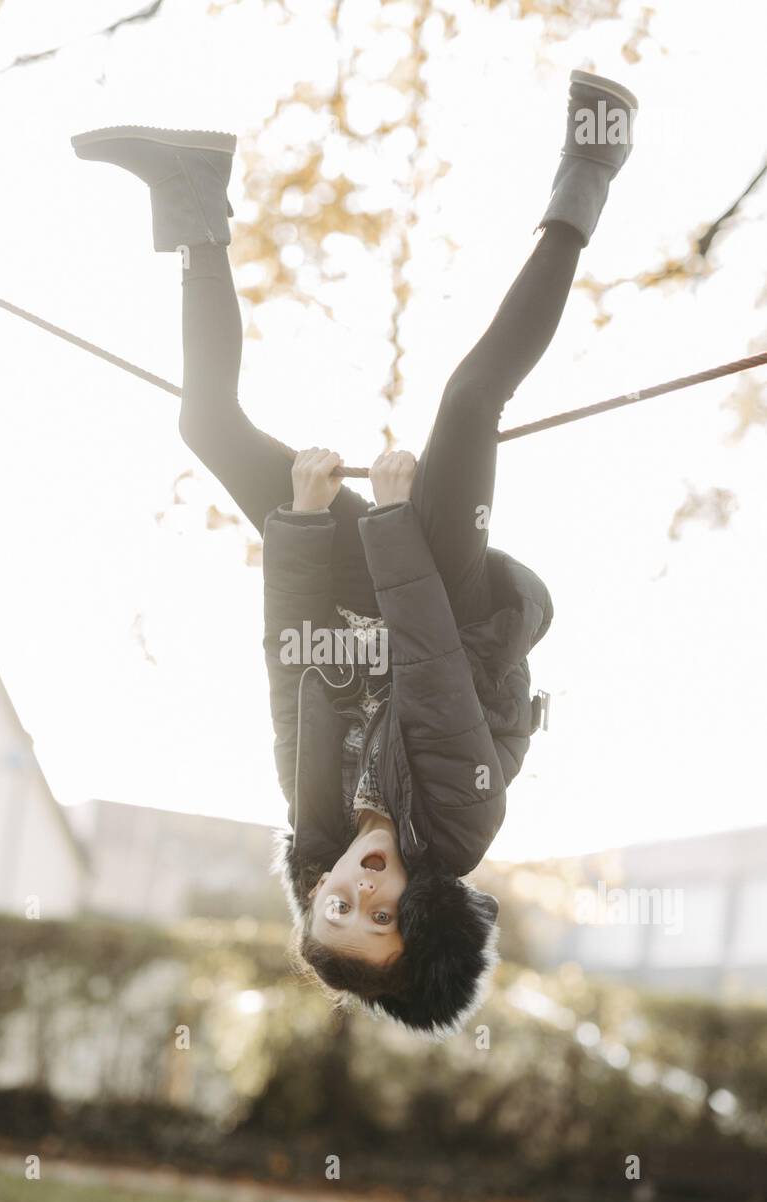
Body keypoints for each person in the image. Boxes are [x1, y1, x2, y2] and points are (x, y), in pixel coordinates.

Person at [71, 69, 638, 1036]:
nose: (361, 889)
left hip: (351, 590)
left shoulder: (315, 816)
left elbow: (292, 656)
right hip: (446, 607)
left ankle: (192, 190)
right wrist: (393, 516)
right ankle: (593, 161)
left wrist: (299, 520)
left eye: (339, 907)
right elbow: (430, 668)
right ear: (420, 914)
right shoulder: (460, 828)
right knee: (469, 401)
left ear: (316, 892)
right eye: (384, 916)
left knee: (206, 422)